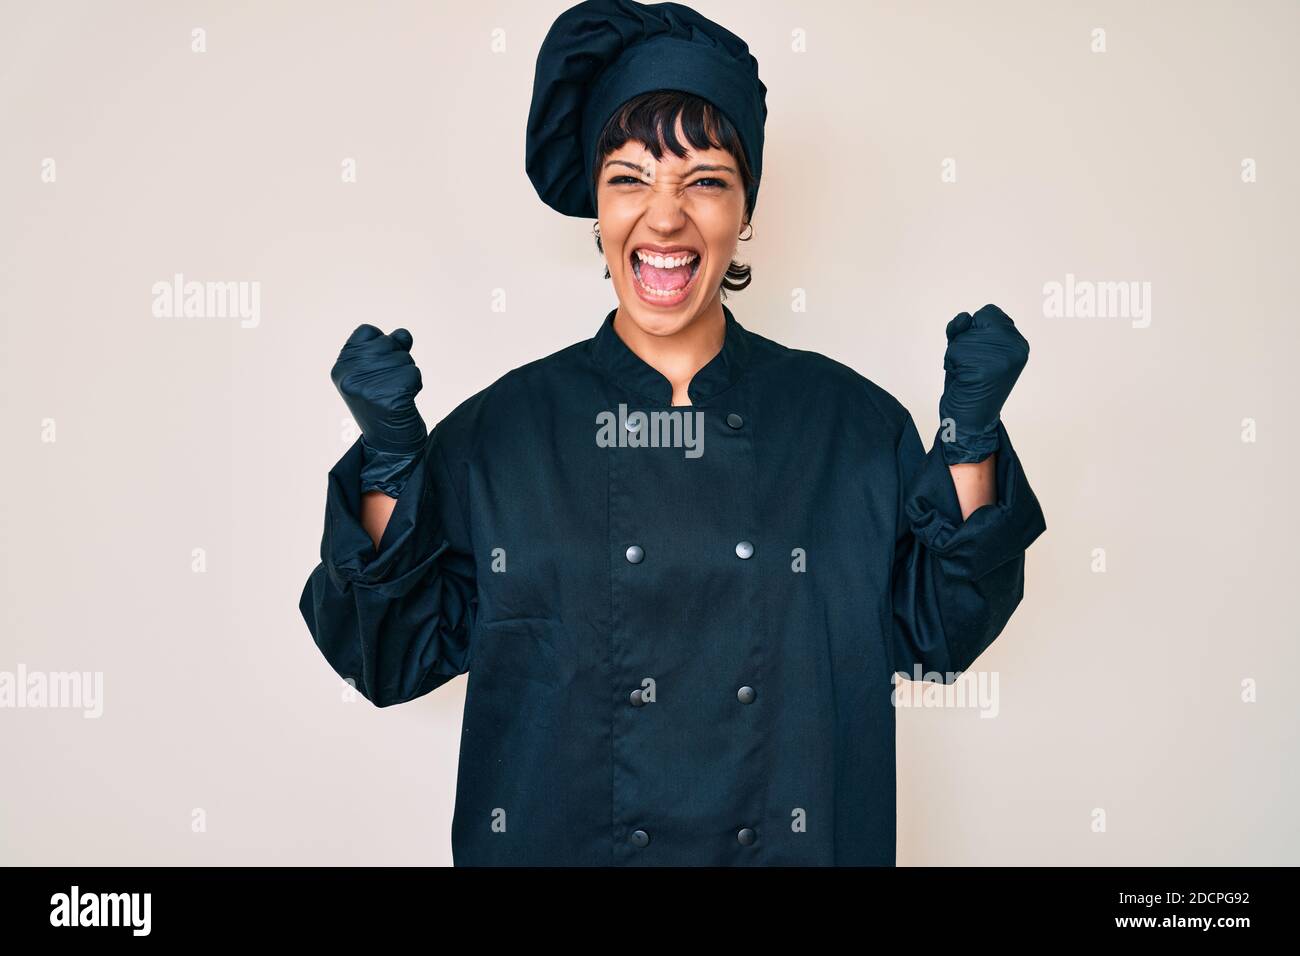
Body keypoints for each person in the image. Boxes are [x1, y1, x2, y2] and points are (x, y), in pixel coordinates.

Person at [299, 0, 1047, 866]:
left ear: (745, 211)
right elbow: (385, 657)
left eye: (704, 181)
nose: (664, 217)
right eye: (628, 178)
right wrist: (392, 462)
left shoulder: (848, 425)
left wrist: (968, 438)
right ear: (598, 209)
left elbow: (938, 634)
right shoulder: (503, 435)